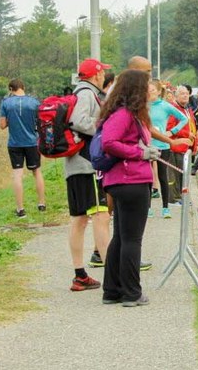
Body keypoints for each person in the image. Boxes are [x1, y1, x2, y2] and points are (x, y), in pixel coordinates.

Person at [99, 69, 159, 307]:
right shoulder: (124, 115)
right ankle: (132, 292)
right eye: (146, 87)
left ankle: (112, 290)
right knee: (132, 239)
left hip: (124, 180)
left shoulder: (124, 113)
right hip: (131, 179)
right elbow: (109, 142)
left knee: (122, 238)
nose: (150, 91)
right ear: (137, 90)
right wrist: (140, 152)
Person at [65, 58, 112, 291]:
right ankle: (112, 275)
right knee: (101, 216)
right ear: (95, 74)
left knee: (80, 219)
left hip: (76, 165)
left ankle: (80, 274)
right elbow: (77, 121)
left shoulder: (81, 92)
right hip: (86, 165)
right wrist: (105, 126)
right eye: (102, 71)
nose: (104, 75)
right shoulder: (86, 94)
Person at [0, 79, 46, 217]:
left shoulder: (6, 103)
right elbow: (41, 121)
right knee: (37, 172)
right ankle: (41, 204)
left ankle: (20, 209)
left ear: (10, 89)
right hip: (32, 142)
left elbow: (2, 125)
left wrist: (10, 120)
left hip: (14, 144)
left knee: (18, 175)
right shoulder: (34, 102)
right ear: (23, 87)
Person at [147, 80, 188, 219]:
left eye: (152, 90)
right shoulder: (142, 106)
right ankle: (148, 208)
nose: (149, 93)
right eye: (147, 90)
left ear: (159, 92)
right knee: (147, 177)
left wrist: (171, 132)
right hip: (146, 145)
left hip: (162, 145)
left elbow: (184, 119)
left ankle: (165, 208)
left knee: (162, 176)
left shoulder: (165, 106)